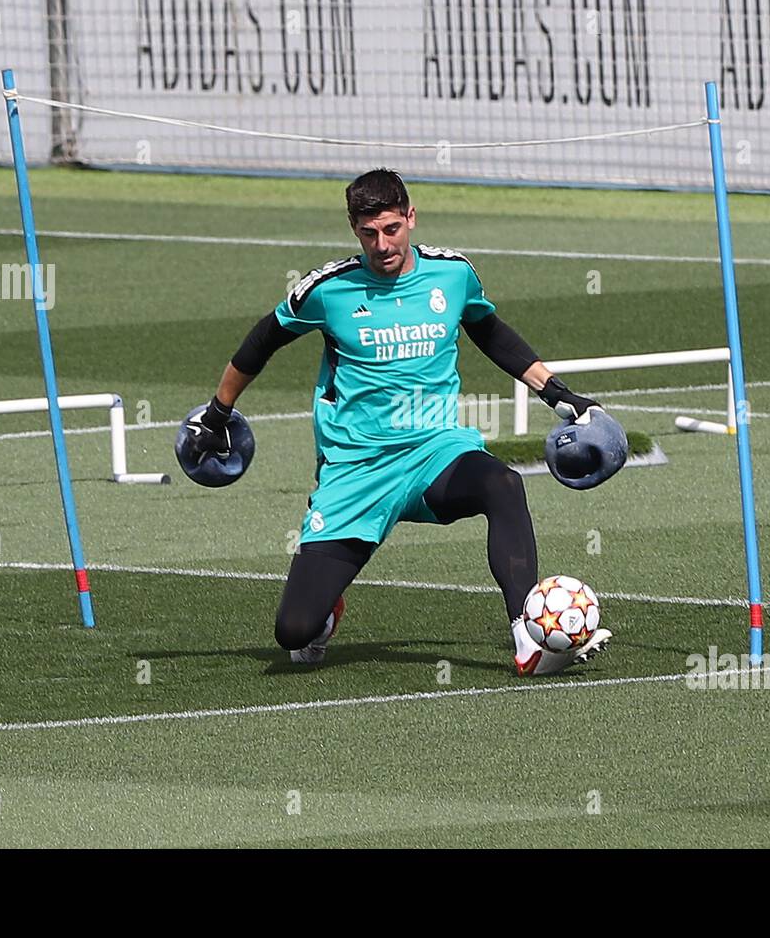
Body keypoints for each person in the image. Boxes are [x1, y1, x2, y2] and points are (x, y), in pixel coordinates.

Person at [185, 168, 611, 675]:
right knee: (294, 635)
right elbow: (262, 341)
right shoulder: (328, 290)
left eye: (391, 229)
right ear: (353, 229)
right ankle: (323, 614)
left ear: (410, 217)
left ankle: (526, 635)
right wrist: (218, 412)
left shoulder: (453, 275)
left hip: (436, 451)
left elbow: (490, 332)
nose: (382, 244)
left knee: (503, 484)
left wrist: (558, 394)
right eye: (369, 233)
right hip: (356, 469)